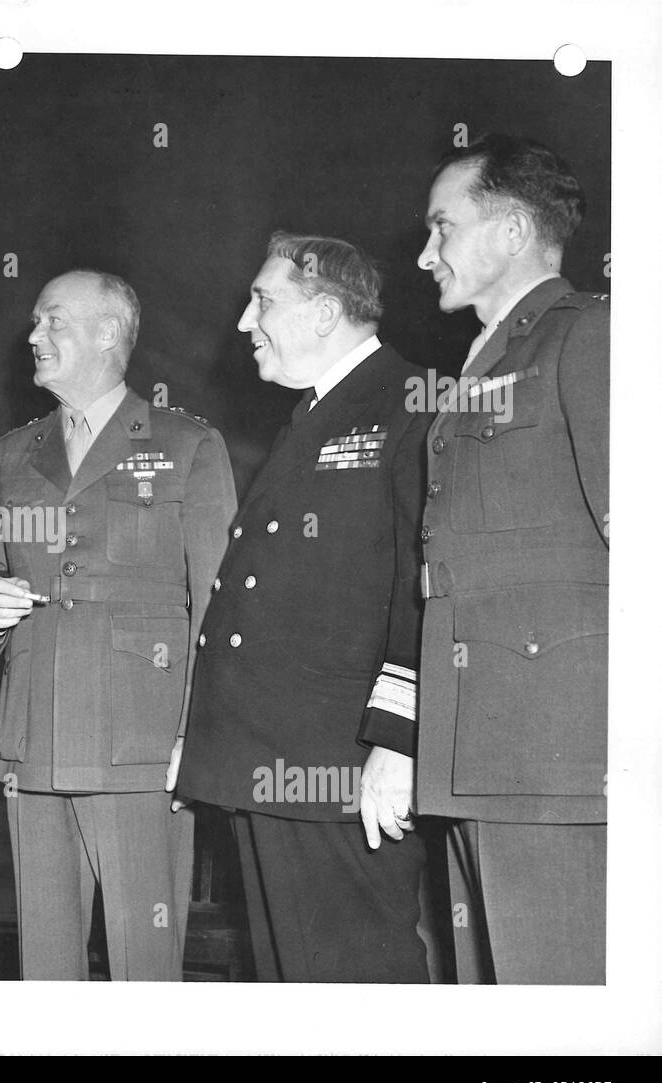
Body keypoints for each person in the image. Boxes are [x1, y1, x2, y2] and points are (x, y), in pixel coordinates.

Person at [173, 233, 435, 982]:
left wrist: (399, 740)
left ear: (324, 313)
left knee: (357, 981)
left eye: (264, 301)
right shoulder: (313, 416)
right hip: (271, 760)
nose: (244, 322)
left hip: (337, 766)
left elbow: (424, 580)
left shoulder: (410, 401)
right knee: (298, 985)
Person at [0, 269, 235, 980]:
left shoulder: (189, 446)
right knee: (45, 973)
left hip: (143, 750)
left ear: (109, 332)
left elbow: (217, 604)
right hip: (35, 740)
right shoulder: (6, 456)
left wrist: (195, 734)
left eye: (53, 320)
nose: (33, 335)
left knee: (145, 970)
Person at [400, 134, 607, 983]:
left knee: (555, 1004)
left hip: (552, 745)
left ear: (513, 231)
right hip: (476, 740)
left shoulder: (587, 336)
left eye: (442, 227)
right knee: (494, 999)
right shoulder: (484, 360)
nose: (424, 254)